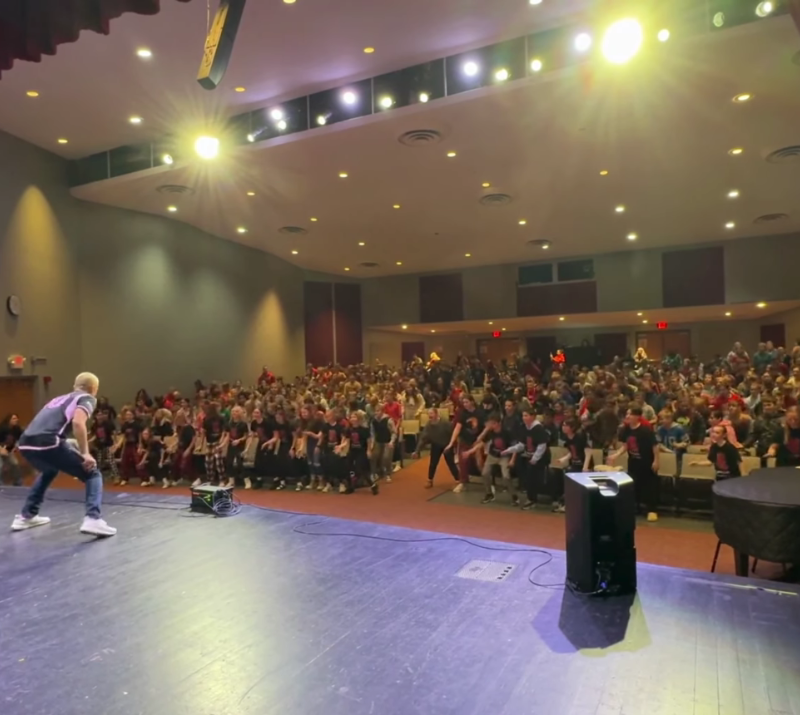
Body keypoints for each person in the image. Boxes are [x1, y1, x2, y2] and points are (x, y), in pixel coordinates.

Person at [11, 372, 116, 537]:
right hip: (48, 441)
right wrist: (85, 453)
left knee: (49, 470)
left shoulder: (57, 400)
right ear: (93, 389)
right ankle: (93, 519)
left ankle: (26, 515)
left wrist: (67, 443)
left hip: (25, 442)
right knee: (93, 474)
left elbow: (45, 426)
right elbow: (78, 423)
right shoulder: (87, 398)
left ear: (75, 386)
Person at [608, 406, 660, 522]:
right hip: (633, 461)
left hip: (647, 462)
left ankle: (652, 510)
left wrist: (656, 461)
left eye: (630, 414)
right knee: (633, 485)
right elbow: (626, 446)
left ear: (637, 417)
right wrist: (615, 455)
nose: (627, 416)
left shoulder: (646, 430)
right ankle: (635, 508)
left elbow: (655, 446)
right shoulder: (625, 430)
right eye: (627, 414)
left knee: (650, 486)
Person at [414, 409, 458, 488]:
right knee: (433, 463)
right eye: (429, 414)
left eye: (431, 413)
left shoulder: (445, 423)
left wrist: (452, 446)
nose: (430, 415)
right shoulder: (428, 425)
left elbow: (453, 434)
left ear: (436, 414)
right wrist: (417, 451)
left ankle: (458, 480)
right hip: (436, 445)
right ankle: (430, 480)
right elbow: (423, 438)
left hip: (446, 445)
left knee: (451, 463)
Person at [0, 413, 24, 486]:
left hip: (8, 450)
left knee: (15, 464)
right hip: (1, 448)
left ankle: (18, 482)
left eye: (16, 418)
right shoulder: (2, 428)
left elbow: (21, 438)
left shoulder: (17, 429)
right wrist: (1, 449)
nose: (16, 420)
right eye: (13, 418)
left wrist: (17, 446)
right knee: (0, 466)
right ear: (9, 420)